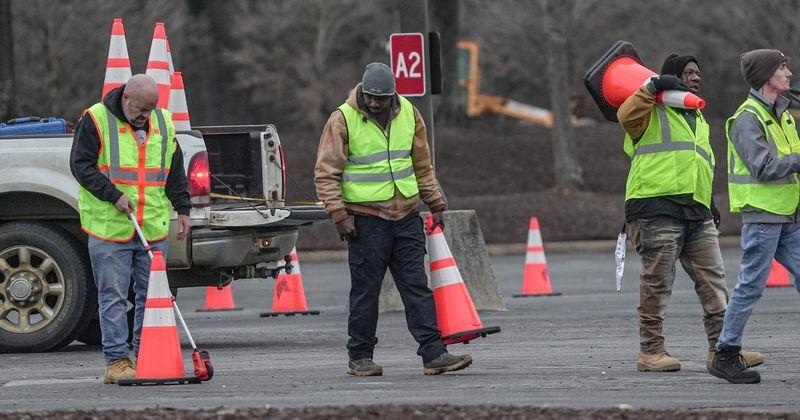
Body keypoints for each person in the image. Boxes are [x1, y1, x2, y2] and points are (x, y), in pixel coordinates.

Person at [314, 63, 471, 376]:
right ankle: (359, 357)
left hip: (407, 216)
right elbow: (326, 172)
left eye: (381, 99)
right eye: (370, 97)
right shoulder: (342, 119)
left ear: (392, 95)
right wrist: (338, 214)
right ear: (363, 92)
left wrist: (435, 202)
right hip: (365, 220)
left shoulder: (410, 114)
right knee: (365, 291)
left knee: (416, 286)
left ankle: (433, 353)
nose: (374, 103)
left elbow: (422, 165)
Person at [617, 54, 762, 372]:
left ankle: (722, 349)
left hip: (696, 211)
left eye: (698, 72)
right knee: (657, 282)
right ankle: (650, 351)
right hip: (655, 208)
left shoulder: (698, 118)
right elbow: (625, 114)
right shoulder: (650, 111)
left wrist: (708, 201)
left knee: (714, 280)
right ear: (670, 78)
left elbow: (698, 163)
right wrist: (651, 87)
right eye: (688, 73)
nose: (696, 77)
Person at [70, 74, 191, 384]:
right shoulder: (96, 119)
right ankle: (117, 362)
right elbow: (81, 166)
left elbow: (173, 168)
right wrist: (114, 195)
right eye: (141, 109)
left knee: (150, 298)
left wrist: (184, 209)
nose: (145, 116)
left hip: (151, 225)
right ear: (125, 98)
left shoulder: (163, 122)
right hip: (110, 225)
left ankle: (145, 354)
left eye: (151, 110)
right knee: (112, 296)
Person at [710, 49, 797, 384]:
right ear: (766, 77)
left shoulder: (783, 114)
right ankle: (726, 353)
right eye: (782, 67)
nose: (788, 73)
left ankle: (726, 351)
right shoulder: (748, 118)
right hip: (763, 217)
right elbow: (764, 167)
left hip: (788, 215)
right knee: (750, 285)